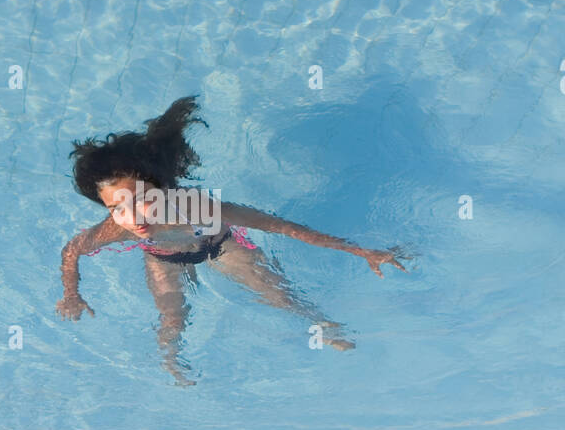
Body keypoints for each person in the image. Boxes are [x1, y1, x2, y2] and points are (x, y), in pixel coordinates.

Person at [56, 96, 411, 384]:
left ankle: (324, 327)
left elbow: (281, 227)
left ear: (165, 187)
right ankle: (172, 364)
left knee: (279, 295)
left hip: (219, 247)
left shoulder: (200, 209)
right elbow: (72, 251)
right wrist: (71, 294)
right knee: (171, 318)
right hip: (162, 257)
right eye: (117, 208)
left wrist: (360, 250)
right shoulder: (116, 229)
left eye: (142, 201)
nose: (133, 219)